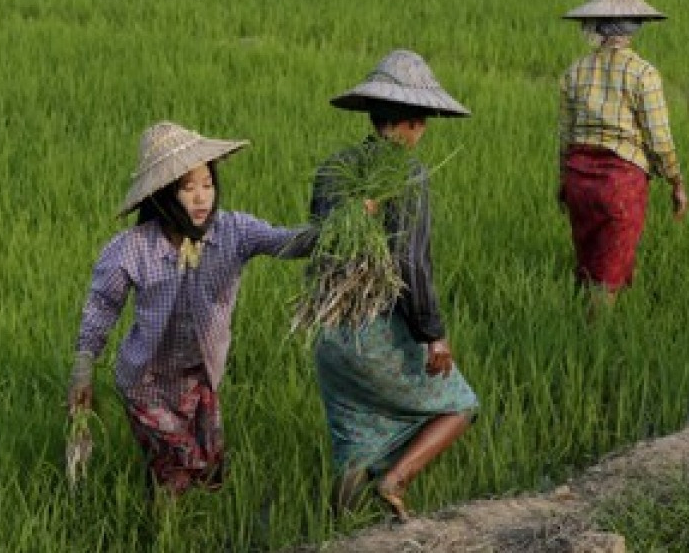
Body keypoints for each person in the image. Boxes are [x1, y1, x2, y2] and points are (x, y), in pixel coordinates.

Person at [67, 121, 315, 499]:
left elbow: (287, 242)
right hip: (146, 383)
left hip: (200, 380)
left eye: (208, 184)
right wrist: (82, 374)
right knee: (180, 461)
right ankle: (164, 531)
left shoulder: (234, 232)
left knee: (209, 471)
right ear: (164, 195)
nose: (202, 198)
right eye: (188, 188)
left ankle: (183, 526)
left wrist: (339, 227)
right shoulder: (134, 248)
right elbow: (101, 309)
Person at [309, 50, 479, 522]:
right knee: (460, 406)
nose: (423, 132)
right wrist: (433, 335)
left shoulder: (332, 169)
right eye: (421, 121)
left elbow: (318, 241)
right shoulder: (408, 174)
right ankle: (396, 480)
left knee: (353, 442)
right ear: (407, 123)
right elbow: (411, 262)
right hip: (377, 332)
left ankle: (338, 532)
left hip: (330, 334)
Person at [558, 0, 689, 317]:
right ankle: (595, 345)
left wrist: (562, 182)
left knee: (588, 264)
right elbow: (659, 139)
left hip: (578, 177)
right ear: (634, 25)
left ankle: (582, 330)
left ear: (598, 23)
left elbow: (566, 136)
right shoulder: (643, 74)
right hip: (621, 181)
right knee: (609, 276)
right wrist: (676, 181)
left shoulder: (574, 72)